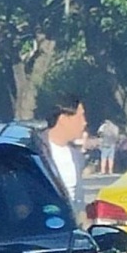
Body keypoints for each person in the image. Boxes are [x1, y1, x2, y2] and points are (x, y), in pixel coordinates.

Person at [41, 94, 88, 223]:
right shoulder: (37, 151)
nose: (84, 122)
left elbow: (79, 202)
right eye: (80, 116)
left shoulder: (77, 156)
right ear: (63, 119)